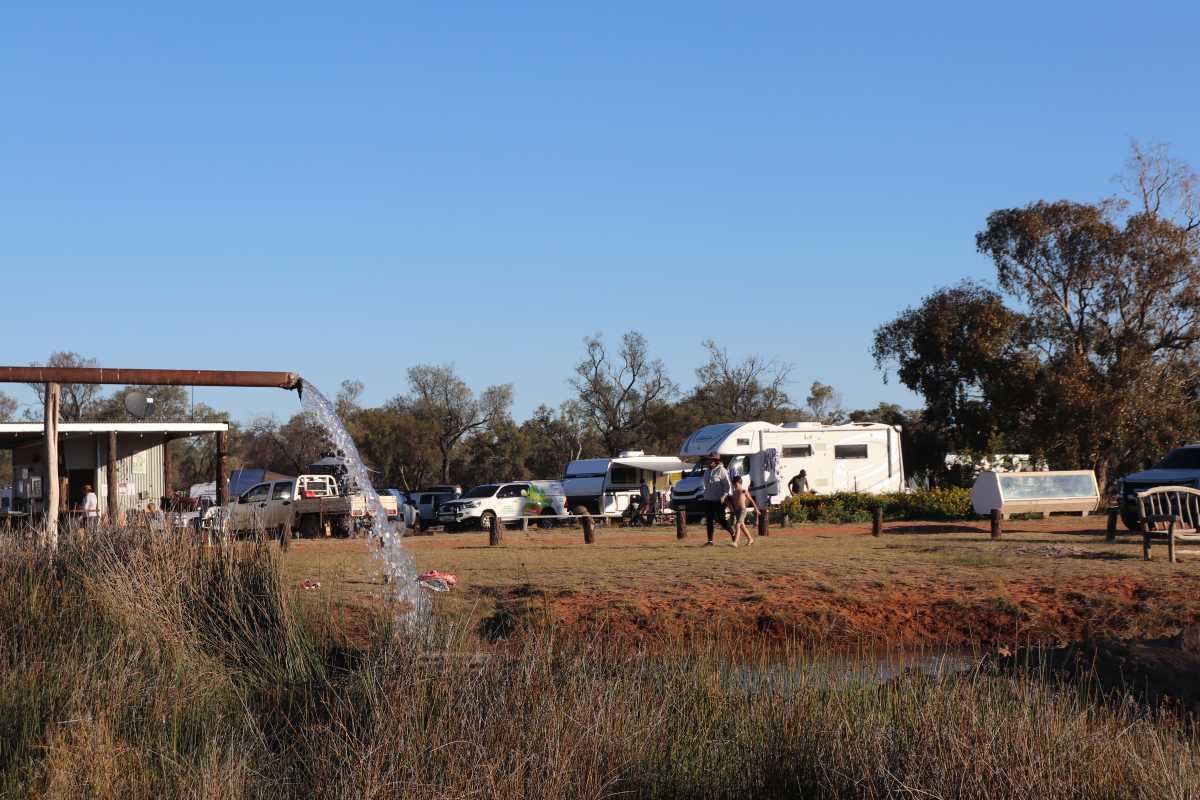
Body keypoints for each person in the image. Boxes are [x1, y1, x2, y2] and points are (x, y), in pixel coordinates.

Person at [701, 453, 734, 545]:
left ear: (715, 461)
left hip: (719, 500)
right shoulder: (707, 471)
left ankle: (733, 533)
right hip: (708, 499)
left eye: (710, 460)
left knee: (721, 520)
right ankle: (710, 541)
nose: (708, 461)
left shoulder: (722, 471)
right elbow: (705, 485)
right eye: (708, 460)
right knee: (709, 520)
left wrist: (724, 496)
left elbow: (727, 485)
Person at [725, 474, 759, 547]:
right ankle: (750, 539)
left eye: (736, 484)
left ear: (740, 483)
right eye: (734, 485)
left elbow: (751, 500)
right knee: (742, 526)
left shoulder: (743, 491)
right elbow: (733, 502)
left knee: (737, 525)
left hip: (742, 510)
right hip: (737, 511)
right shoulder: (734, 492)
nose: (735, 486)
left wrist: (756, 509)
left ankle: (735, 542)